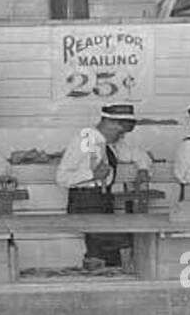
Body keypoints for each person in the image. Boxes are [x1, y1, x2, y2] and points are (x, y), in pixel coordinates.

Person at [55, 103, 155, 270]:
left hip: (103, 199)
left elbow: (137, 154)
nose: (121, 136)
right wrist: (91, 175)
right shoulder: (84, 140)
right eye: (119, 131)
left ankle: (104, 276)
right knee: (122, 240)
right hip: (84, 203)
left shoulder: (110, 142)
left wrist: (143, 169)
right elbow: (61, 177)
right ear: (108, 122)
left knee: (103, 251)